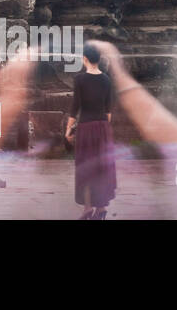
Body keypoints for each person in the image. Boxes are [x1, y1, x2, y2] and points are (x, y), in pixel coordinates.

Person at [65, 42, 116, 219]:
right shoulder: (107, 80)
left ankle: (87, 208)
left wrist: (68, 129)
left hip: (85, 129)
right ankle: (101, 208)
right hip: (102, 128)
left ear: (85, 59)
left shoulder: (80, 80)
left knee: (85, 169)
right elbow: (108, 111)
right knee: (101, 168)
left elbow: (75, 107)